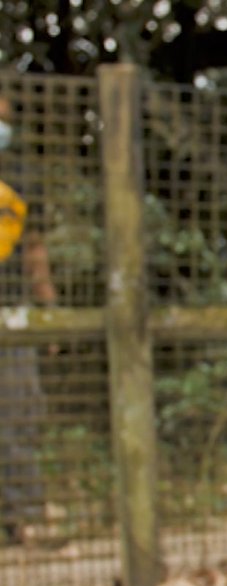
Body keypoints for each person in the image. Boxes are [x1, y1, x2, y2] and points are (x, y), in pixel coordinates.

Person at [0, 96, 54, 544]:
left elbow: (35, 245)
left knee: (18, 409)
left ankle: (23, 516)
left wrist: (48, 306)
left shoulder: (19, 175)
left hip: (12, 312)